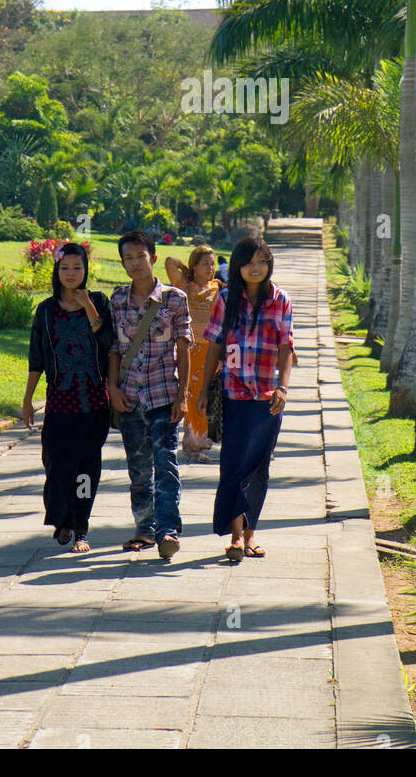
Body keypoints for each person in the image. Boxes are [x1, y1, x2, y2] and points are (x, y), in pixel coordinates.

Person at [198, 236, 293, 562]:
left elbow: (286, 347)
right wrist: (202, 388)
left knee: (258, 469)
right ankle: (236, 538)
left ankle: (251, 536)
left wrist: (283, 387)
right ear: (238, 266)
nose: (256, 268)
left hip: (268, 398)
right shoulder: (226, 298)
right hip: (233, 395)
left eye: (262, 262)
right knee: (233, 466)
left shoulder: (280, 299)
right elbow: (214, 344)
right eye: (249, 262)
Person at [23, 242, 113, 554]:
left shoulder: (99, 301)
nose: (71, 273)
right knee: (56, 463)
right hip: (59, 403)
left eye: (77, 267)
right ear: (56, 271)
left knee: (86, 468)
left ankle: (81, 528)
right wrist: (27, 400)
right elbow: (37, 357)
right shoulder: (46, 310)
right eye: (65, 268)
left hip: (94, 404)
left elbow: (108, 343)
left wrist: (88, 306)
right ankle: (62, 519)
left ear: (86, 270)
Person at [108, 229, 192, 559]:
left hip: (163, 395)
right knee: (139, 468)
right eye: (127, 258)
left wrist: (183, 394)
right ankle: (144, 529)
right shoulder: (117, 300)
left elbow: (184, 348)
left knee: (165, 462)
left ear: (153, 258)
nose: (134, 263)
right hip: (128, 397)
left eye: (140, 256)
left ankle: (168, 530)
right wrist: (113, 388)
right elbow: (114, 347)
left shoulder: (174, 299)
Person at [164, 246, 222, 462]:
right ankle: (192, 442)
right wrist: (186, 270)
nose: (210, 267)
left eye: (212, 263)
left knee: (206, 394)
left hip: (211, 350)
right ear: (195, 265)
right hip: (189, 350)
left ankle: (203, 443)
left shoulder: (218, 288)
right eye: (205, 263)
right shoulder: (184, 286)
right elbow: (169, 261)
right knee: (190, 394)